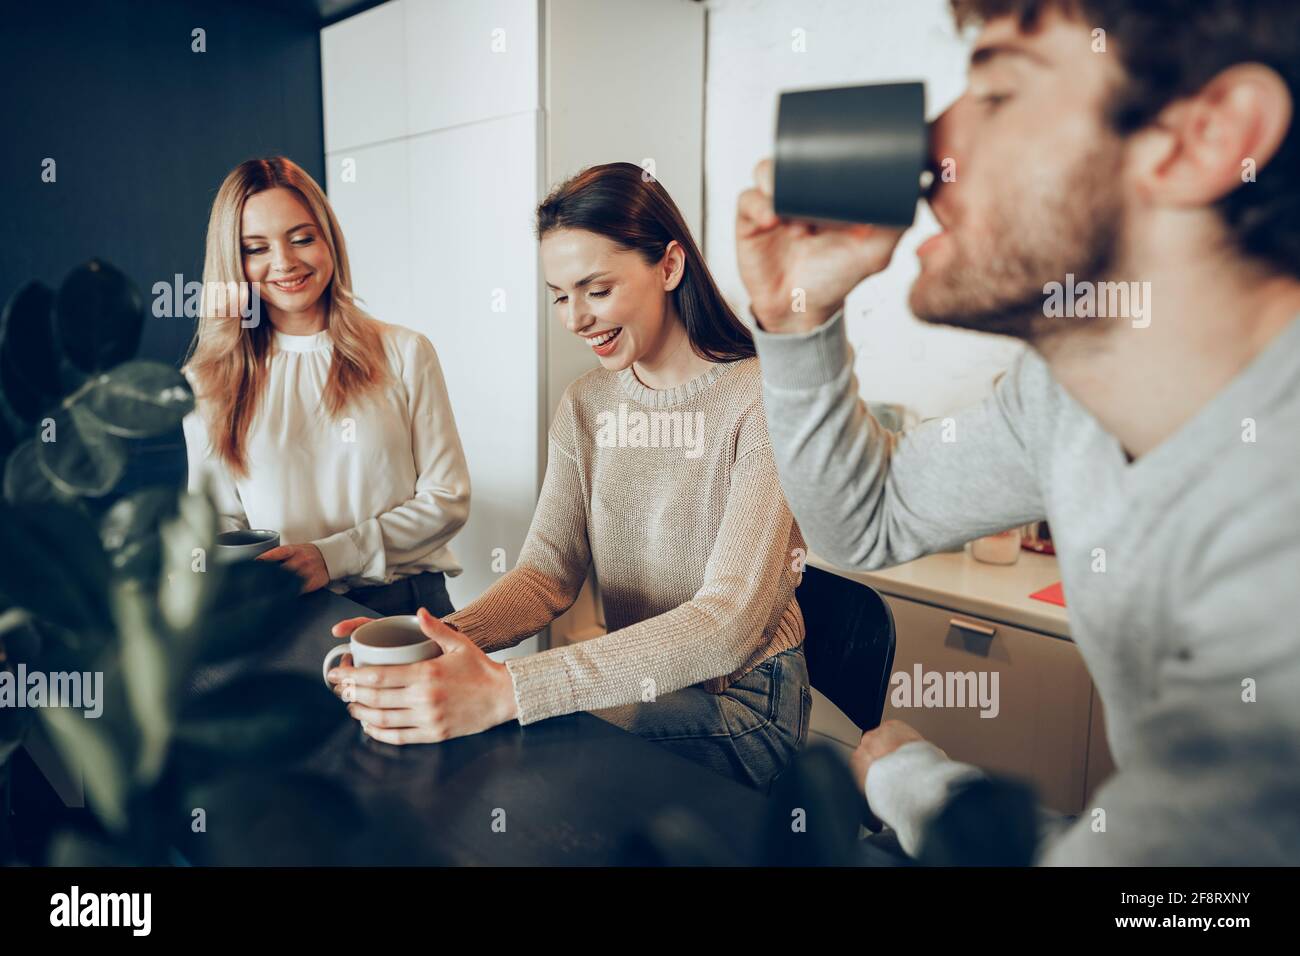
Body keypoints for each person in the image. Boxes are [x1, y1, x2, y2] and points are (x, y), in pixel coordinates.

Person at [739, 0, 1300, 863]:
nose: (928, 149)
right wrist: (795, 316)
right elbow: (861, 522)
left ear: (1204, 139)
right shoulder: (1064, 393)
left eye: (996, 91)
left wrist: (911, 781)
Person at [327, 163, 809, 791]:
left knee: (521, 734)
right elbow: (546, 576)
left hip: (748, 703)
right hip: (643, 676)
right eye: (559, 295)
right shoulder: (587, 405)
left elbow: (725, 625)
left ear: (668, 266)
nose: (575, 318)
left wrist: (515, 688)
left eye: (596, 289)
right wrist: (436, 638)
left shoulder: (764, 398)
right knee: (499, 728)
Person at [183, 157, 469, 617]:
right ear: (232, 262)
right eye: (256, 248)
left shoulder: (406, 352)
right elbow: (220, 523)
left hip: (406, 611)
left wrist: (329, 557)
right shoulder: (207, 381)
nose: (285, 262)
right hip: (283, 619)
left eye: (302, 239)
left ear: (328, 240)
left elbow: (447, 501)